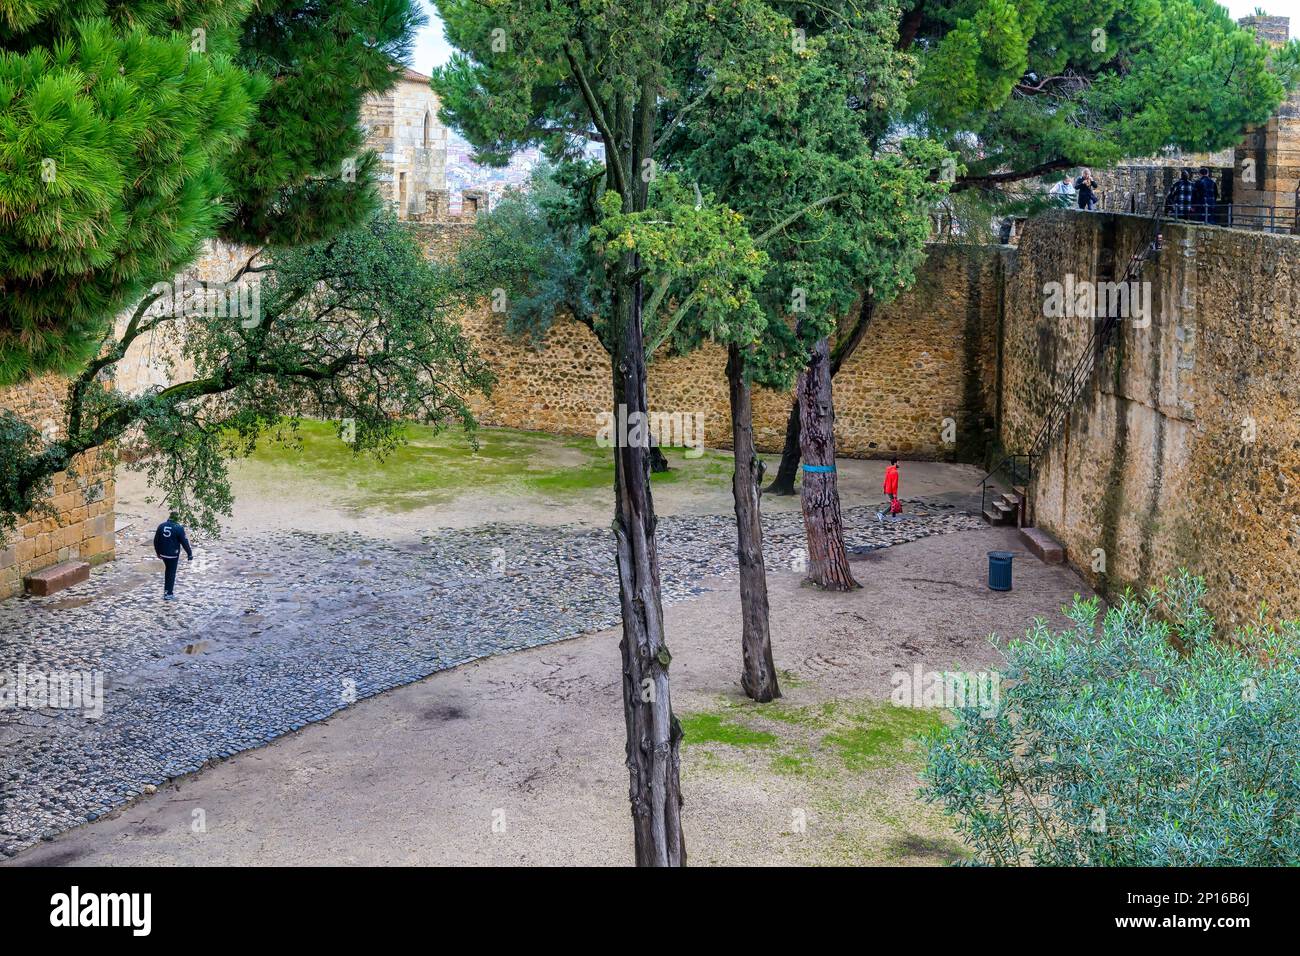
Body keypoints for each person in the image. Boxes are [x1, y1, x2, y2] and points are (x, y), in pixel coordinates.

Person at [153, 512, 193, 601]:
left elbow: (156, 540)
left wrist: (158, 552)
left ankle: (167, 591)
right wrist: (189, 553)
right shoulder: (178, 528)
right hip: (172, 555)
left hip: (163, 553)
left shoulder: (161, 526)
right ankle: (168, 593)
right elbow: (184, 542)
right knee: (171, 572)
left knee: (168, 570)